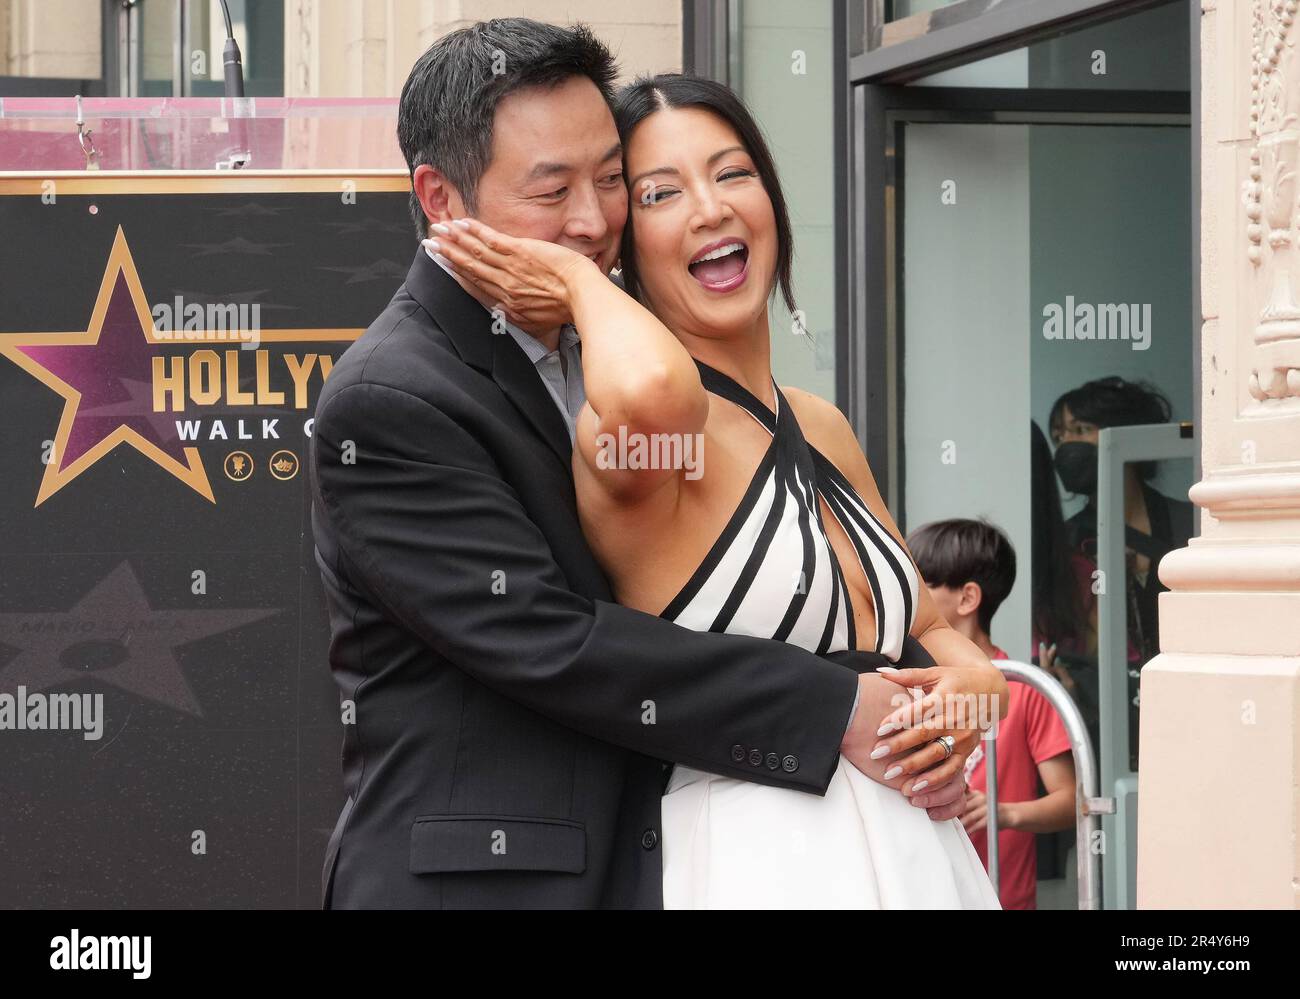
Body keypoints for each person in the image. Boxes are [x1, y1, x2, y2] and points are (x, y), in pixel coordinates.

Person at [309, 20, 985, 910]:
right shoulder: (391, 394)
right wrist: (841, 712)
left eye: (610, 182)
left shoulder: (615, 361)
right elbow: (551, 643)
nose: (591, 221)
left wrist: (967, 691)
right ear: (440, 197)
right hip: (493, 884)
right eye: (552, 190)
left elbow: (921, 621)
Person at [907, 517, 1076, 909]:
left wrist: (1004, 813)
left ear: (967, 598)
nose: (909, 598)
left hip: (1001, 899)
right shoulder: (905, 681)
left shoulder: (1023, 688)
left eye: (923, 586)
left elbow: (1072, 801)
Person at [1048, 377, 1193, 772]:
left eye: (1080, 430)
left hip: (1188, 711)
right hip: (1105, 730)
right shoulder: (1068, 543)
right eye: (1059, 436)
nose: (1066, 447)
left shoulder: (1191, 523)